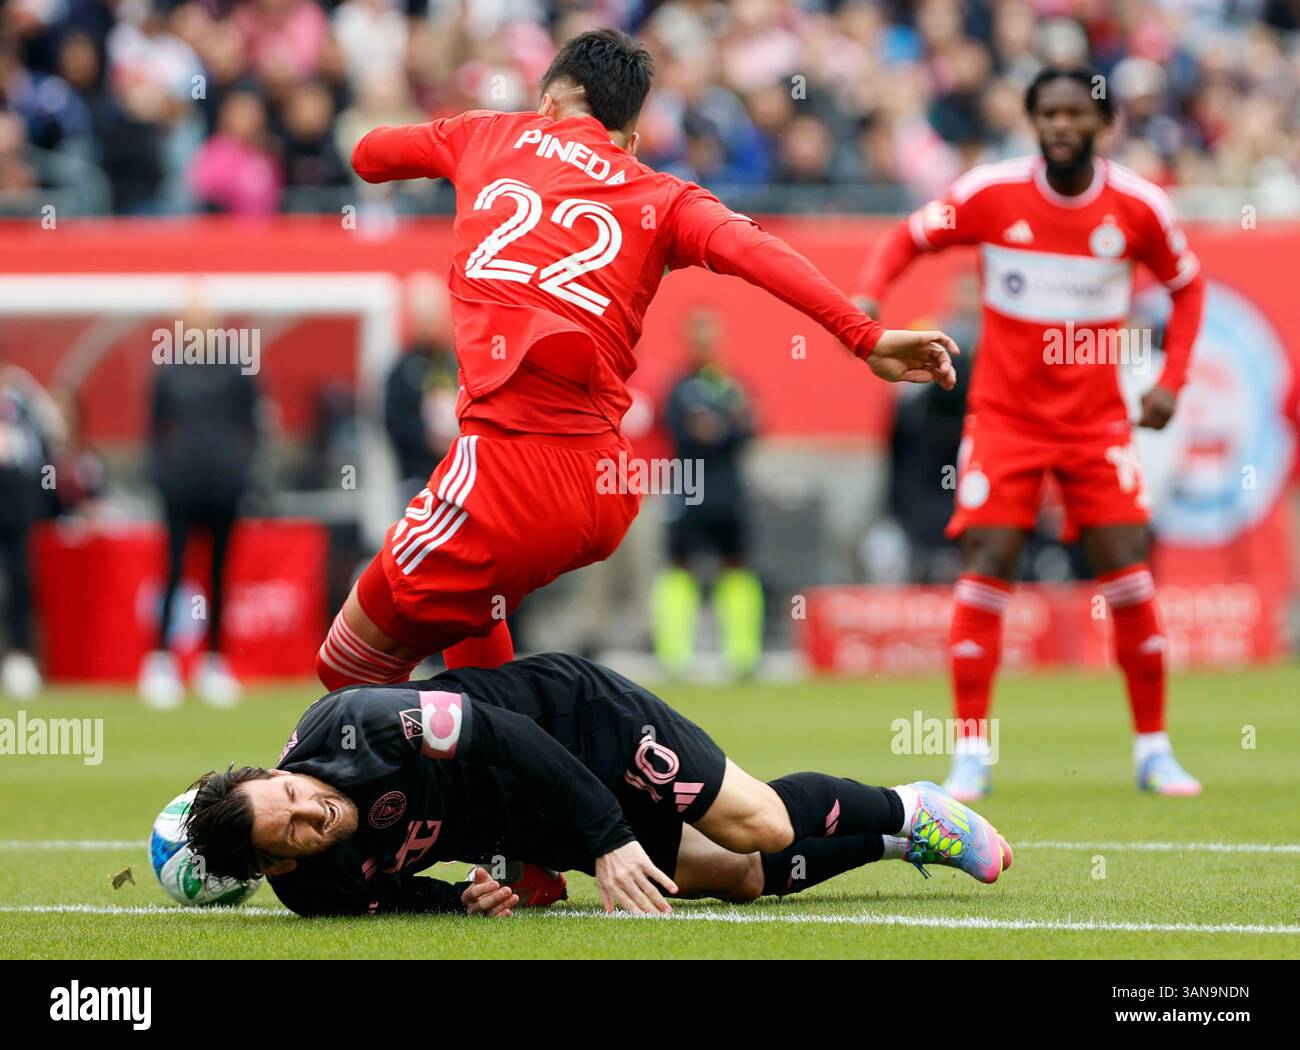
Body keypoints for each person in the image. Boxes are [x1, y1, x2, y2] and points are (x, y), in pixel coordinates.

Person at [317, 28, 959, 690]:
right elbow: (755, 249)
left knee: (342, 669)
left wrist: (465, 131)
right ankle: (498, 762)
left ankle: (464, 770)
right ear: (630, 136)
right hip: (603, 488)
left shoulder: (487, 136)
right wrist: (864, 335)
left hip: (507, 463)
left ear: (549, 100)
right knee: (474, 614)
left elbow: (367, 155)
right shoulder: (660, 194)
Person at [854, 66, 1206, 799]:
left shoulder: (1137, 207)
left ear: (1101, 123)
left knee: (1127, 568)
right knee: (988, 562)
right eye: (1048, 113)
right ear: (1032, 120)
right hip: (1006, 420)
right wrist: (865, 303)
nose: (1061, 125)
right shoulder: (992, 194)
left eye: (1076, 113)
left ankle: (1153, 748)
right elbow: (910, 236)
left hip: (1096, 422)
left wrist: (1171, 381)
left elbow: (1188, 283)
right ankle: (972, 751)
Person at [184, 652, 1012, 917]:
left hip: (576, 722)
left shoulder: (355, 724)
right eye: (289, 831)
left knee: (757, 826)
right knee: (741, 879)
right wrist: (461, 899)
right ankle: (903, 840)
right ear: (275, 869)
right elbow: (392, 898)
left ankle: (916, 802)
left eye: (288, 794)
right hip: (534, 820)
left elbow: (508, 733)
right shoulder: (312, 890)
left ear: (274, 771)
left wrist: (609, 838)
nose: (309, 811)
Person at [139, 332, 261, 709]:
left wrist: (241, 472)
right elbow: (154, 430)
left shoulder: (236, 369)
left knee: (219, 572)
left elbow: (252, 426)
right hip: (180, 487)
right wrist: (164, 476)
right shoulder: (168, 372)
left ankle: (214, 661)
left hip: (223, 486)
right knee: (173, 569)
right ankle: (162, 660)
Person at [653, 306, 762, 678]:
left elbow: (749, 429)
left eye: (710, 332)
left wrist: (717, 428)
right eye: (698, 332)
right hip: (688, 488)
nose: (705, 340)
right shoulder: (678, 387)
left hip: (729, 491)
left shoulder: (733, 384)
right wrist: (722, 428)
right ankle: (674, 656)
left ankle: (743, 654)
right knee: (679, 566)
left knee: (736, 565)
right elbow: (681, 432)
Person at [0, 354, 67, 700]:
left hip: (16, 496)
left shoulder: (20, 390)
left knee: (22, 578)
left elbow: (53, 428)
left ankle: (20, 657)